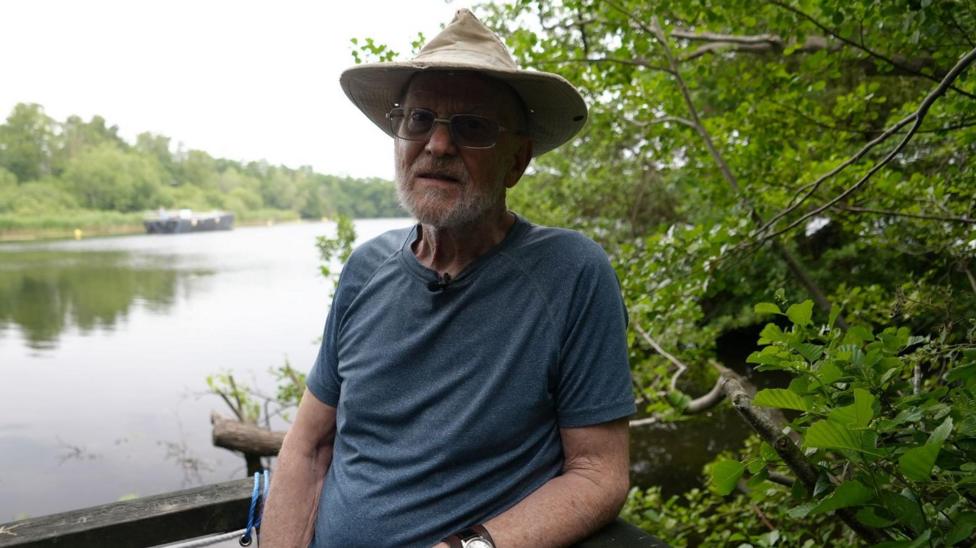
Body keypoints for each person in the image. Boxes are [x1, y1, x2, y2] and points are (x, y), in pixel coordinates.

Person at [262, 9, 635, 548]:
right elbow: (309, 445)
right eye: (419, 120)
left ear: (516, 162)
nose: (438, 145)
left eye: (473, 127)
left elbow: (599, 474)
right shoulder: (366, 268)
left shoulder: (570, 273)